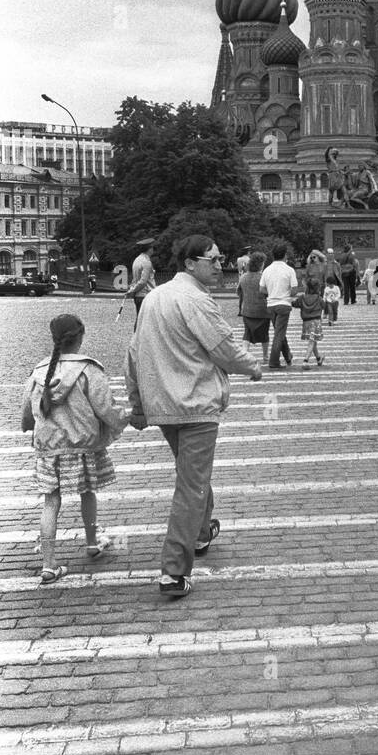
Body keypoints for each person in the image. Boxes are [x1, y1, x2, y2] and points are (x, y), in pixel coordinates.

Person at [125, 235, 262, 599]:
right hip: (196, 406)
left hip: (165, 406)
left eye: (221, 258)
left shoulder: (154, 297)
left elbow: (134, 354)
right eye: (213, 259)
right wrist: (252, 367)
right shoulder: (197, 299)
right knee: (191, 485)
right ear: (190, 263)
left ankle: (202, 532)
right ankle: (173, 572)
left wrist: (139, 403)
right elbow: (223, 349)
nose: (221, 265)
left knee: (192, 475)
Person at [22, 313, 130, 585]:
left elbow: (27, 415)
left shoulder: (38, 372)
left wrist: (31, 428)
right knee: (87, 492)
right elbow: (106, 408)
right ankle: (92, 542)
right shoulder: (88, 369)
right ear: (81, 337)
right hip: (82, 445)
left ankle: (49, 565)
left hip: (49, 448)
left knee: (51, 502)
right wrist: (128, 419)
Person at [259, 241, 297, 368]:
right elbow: (294, 290)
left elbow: (262, 289)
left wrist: (272, 291)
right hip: (284, 304)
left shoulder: (267, 270)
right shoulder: (289, 270)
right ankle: (274, 361)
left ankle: (288, 357)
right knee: (279, 334)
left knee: (279, 332)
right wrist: (285, 292)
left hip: (271, 305)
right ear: (285, 255)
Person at [237, 251, 270, 365]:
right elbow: (268, 293)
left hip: (247, 310)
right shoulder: (263, 278)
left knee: (247, 333)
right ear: (261, 264)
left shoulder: (243, 277)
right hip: (263, 311)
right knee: (264, 334)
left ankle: (244, 355)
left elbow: (239, 292)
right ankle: (266, 357)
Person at [292, 279, 325, 368]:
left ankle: (319, 358)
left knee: (313, 341)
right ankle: (305, 361)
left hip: (306, 322)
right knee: (312, 341)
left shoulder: (302, 297)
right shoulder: (319, 298)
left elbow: (294, 304)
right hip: (316, 322)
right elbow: (324, 306)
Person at [124, 236, 156, 322]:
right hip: (146, 295)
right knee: (145, 323)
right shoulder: (146, 262)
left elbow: (135, 279)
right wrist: (132, 290)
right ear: (149, 249)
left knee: (140, 321)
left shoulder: (137, 260)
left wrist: (131, 289)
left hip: (138, 296)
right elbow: (143, 282)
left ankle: (136, 335)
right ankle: (137, 335)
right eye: (152, 247)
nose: (153, 249)